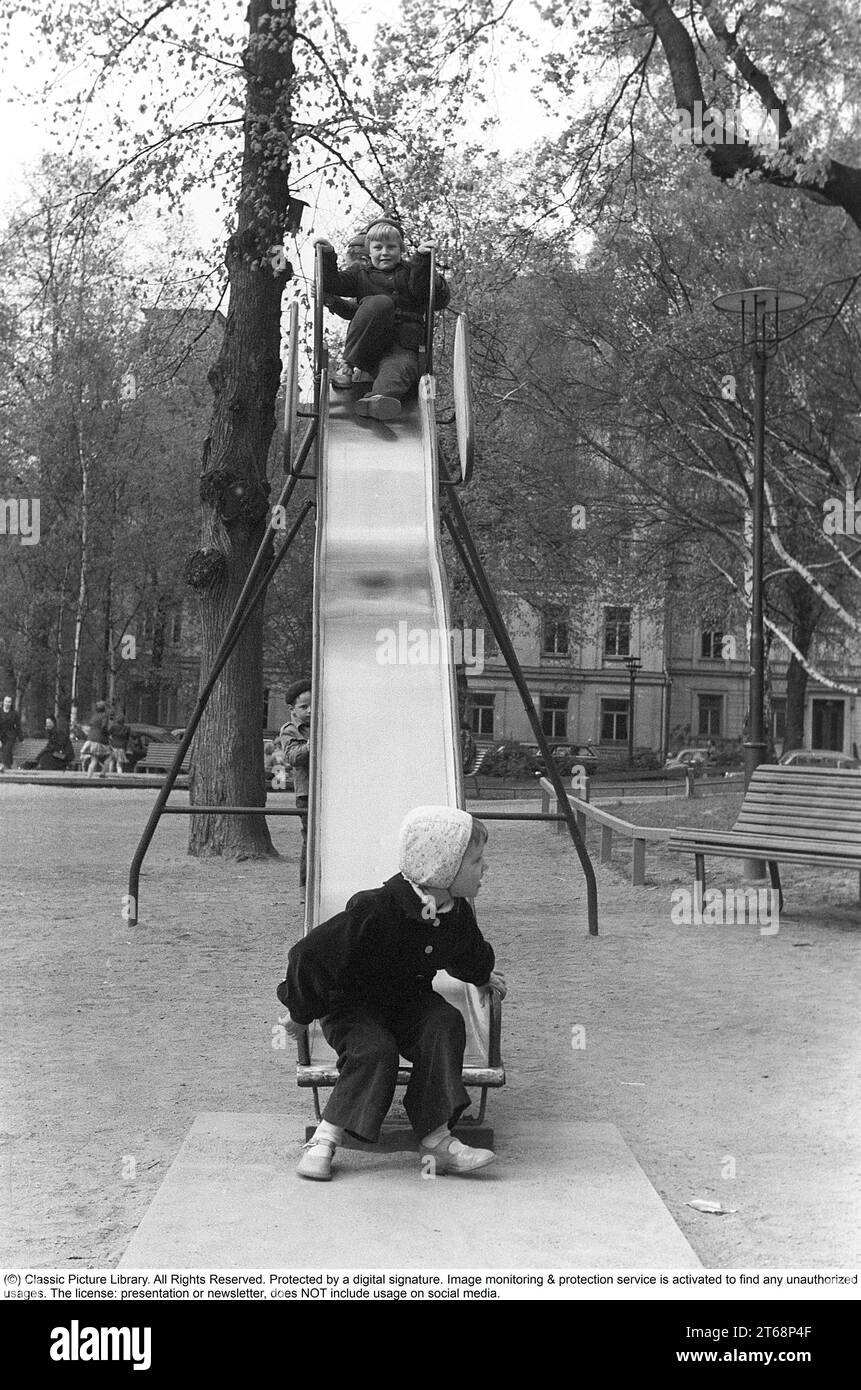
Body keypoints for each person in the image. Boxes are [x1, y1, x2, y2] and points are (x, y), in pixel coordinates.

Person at [277, 805, 507, 1182]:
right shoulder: (376, 909)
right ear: (443, 868)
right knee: (374, 1049)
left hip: (408, 1000)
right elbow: (310, 955)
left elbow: (467, 952)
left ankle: (437, 1138)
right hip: (351, 1004)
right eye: (477, 861)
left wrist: (482, 975)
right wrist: (301, 1012)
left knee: (444, 1022)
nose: (486, 869)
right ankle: (326, 1136)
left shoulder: (456, 911)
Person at [316, 218, 450, 420]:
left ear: (401, 249)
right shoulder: (360, 274)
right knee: (380, 303)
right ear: (369, 251)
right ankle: (347, 365)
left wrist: (423, 261)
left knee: (396, 373)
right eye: (378, 247)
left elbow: (430, 294)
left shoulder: (411, 272)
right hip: (368, 348)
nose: (384, 252)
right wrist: (327, 256)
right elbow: (333, 283)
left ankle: (376, 402)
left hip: (402, 347)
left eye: (391, 247)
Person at [281, 678, 312, 890]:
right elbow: (292, 757)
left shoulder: (325, 722)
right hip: (307, 794)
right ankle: (305, 887)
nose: (310, 711)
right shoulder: (290, 730)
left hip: (331, 791)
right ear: (293, 709)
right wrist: (312, 744)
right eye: (304, 707)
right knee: (309, 840)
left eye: (313, 705)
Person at [79, 700, 111, 777]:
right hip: (100, 740)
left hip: (90, 739)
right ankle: (103, 773)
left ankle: (89, 777)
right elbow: (103, 727)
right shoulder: (104, 716)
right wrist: (108, 734)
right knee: (111, 754)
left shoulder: (94, 716)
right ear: (104, 708)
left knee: (94, 760)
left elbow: (91, 726)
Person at [0, 695, 23, 770]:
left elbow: (18, 726)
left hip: (10, 736)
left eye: (9, 702)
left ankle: (5, 767)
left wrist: (21, 738)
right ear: (3, 702)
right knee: (5, 751)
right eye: (6, 701)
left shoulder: (14, 713)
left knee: (6, 749)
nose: (7, 703)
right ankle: (8, 767)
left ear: (11, 703)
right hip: (1, 735)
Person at [107, 708, 131, 774]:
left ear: (117, 720)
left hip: (113, 747)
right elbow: (127, 738)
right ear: (123, 721)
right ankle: (120, 776)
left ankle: (110, 776)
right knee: (119, 764)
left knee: (111, 762)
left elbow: (108, 734)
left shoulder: (113, 727)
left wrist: (110, 740)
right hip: (122, 747)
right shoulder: (127, 728)